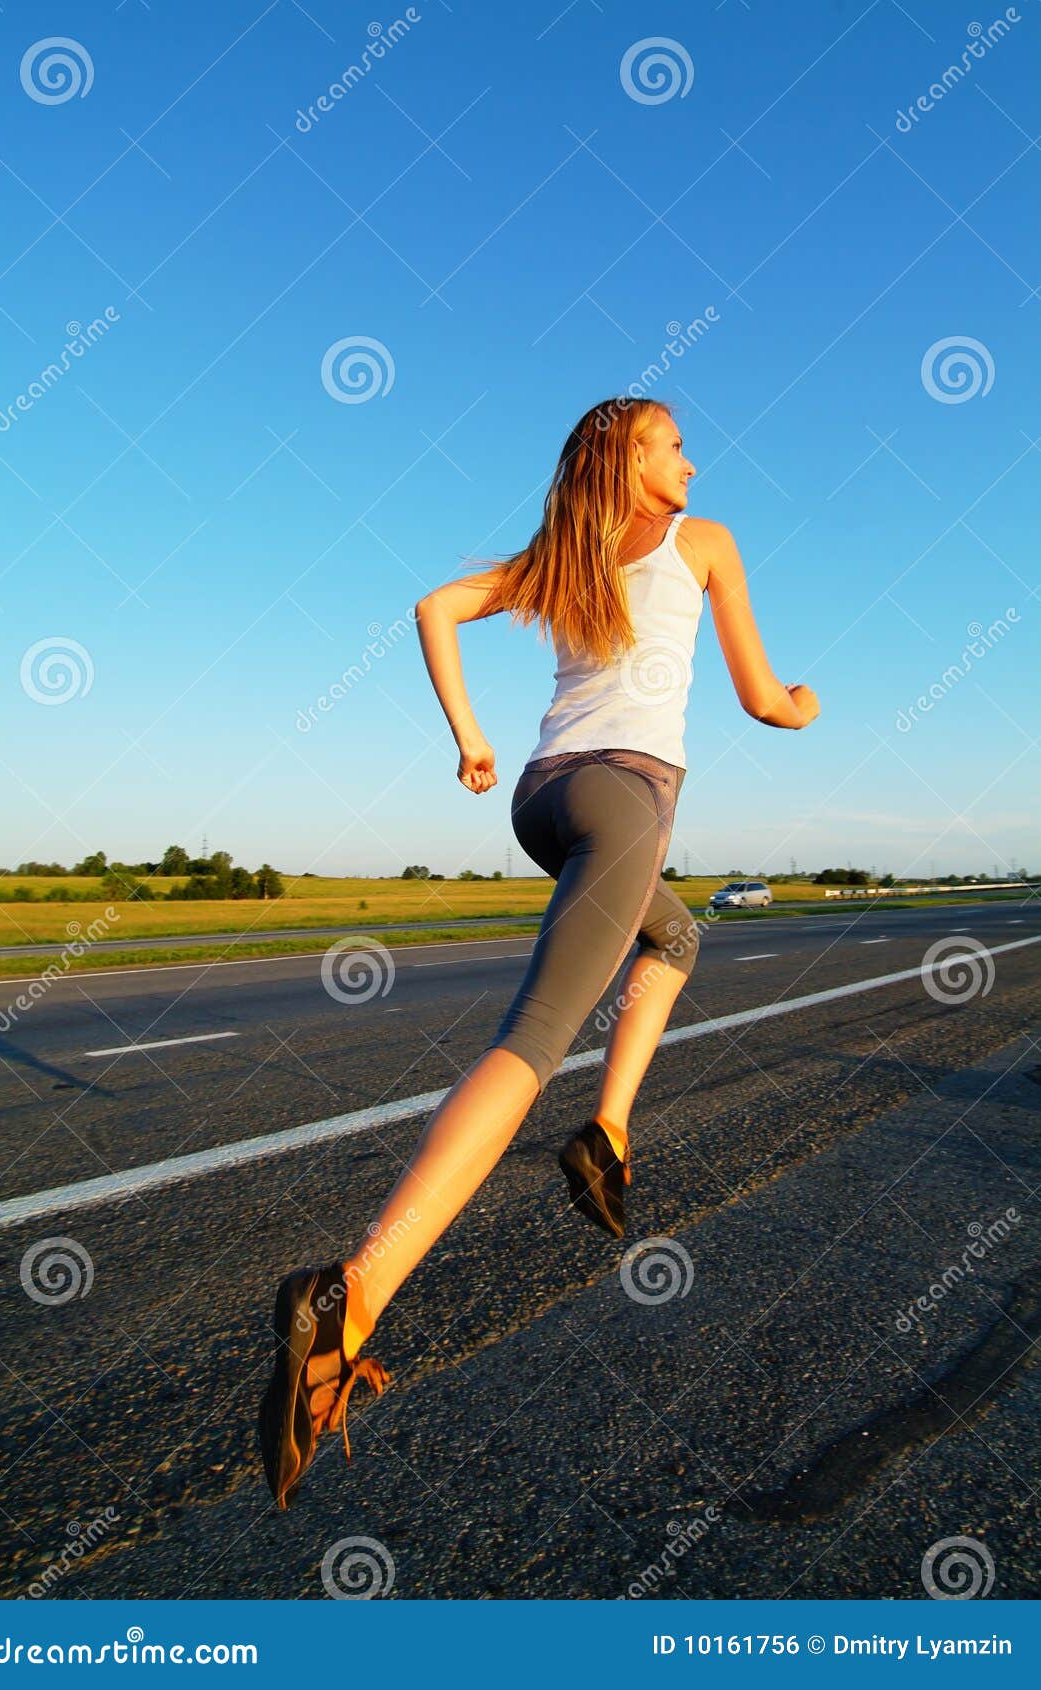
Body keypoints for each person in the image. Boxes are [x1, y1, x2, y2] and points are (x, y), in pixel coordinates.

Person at [258, 396, 820, 1509]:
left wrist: (469, 740)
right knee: (531, 1039)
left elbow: (433, 606)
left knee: (674, 935)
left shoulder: (557, 556)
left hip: (543, 797)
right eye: (672, 445)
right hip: (623, 797)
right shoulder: (704, 543)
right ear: (628, 456)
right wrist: (806, 704)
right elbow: (763, 702)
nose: (691, 461)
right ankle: (350, 1297)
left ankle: (605, 1136)